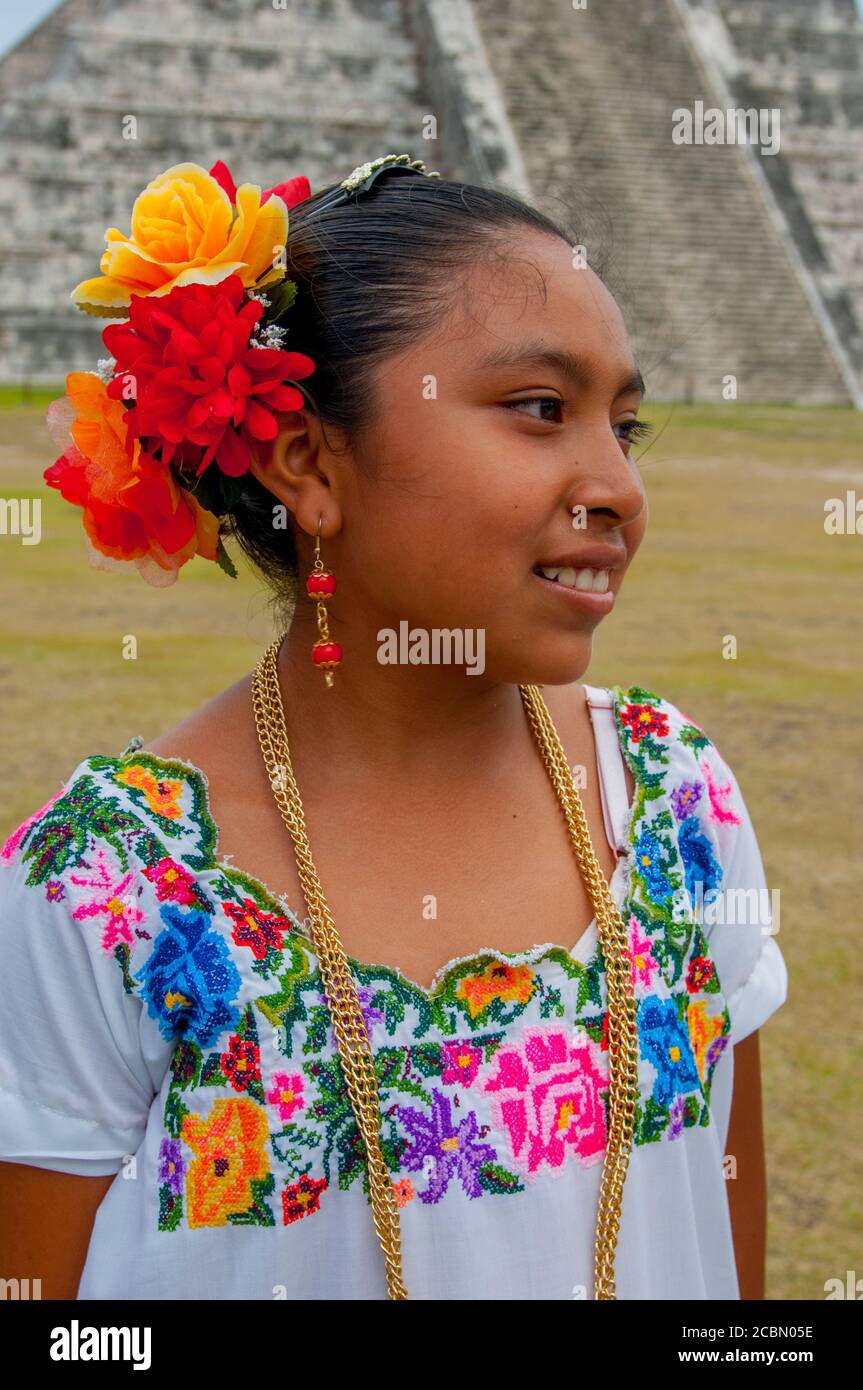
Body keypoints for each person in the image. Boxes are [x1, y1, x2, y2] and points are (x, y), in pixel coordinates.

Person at [0, 154, 787, 1301]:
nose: (614, 483)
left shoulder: (676, 803)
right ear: (310, 462)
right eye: (538, 409)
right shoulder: (105, 888)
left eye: (626, 425)